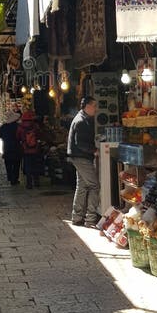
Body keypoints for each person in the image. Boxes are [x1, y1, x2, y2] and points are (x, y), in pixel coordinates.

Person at [67, 96, 100, 227]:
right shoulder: (81, 121)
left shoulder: (81, 118)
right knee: (94, 185)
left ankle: (77, 217)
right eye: (94, 106)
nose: (96, 109)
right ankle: (91, 218)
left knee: (82, 186)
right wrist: (94, 150)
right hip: (81, 157)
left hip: (77, 156)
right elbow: (80, 143)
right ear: (87, 106)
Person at [17, 109, 41, 189]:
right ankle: (36, 182)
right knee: (35, 165)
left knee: (27, 166)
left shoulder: (20, 127)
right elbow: (38, 135)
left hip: (25, 149)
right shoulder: (35, 126)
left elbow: (18, 137)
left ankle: (29, 183)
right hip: (35, 149)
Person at [0, 110, 22, 185]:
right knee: (16, 163)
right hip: (16, 146)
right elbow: (20, 136)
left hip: (7, 147)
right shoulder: (17, 126)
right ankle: (15, 178)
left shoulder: (3, 126)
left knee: (8, 163)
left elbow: (1, 136)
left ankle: (10, 177)